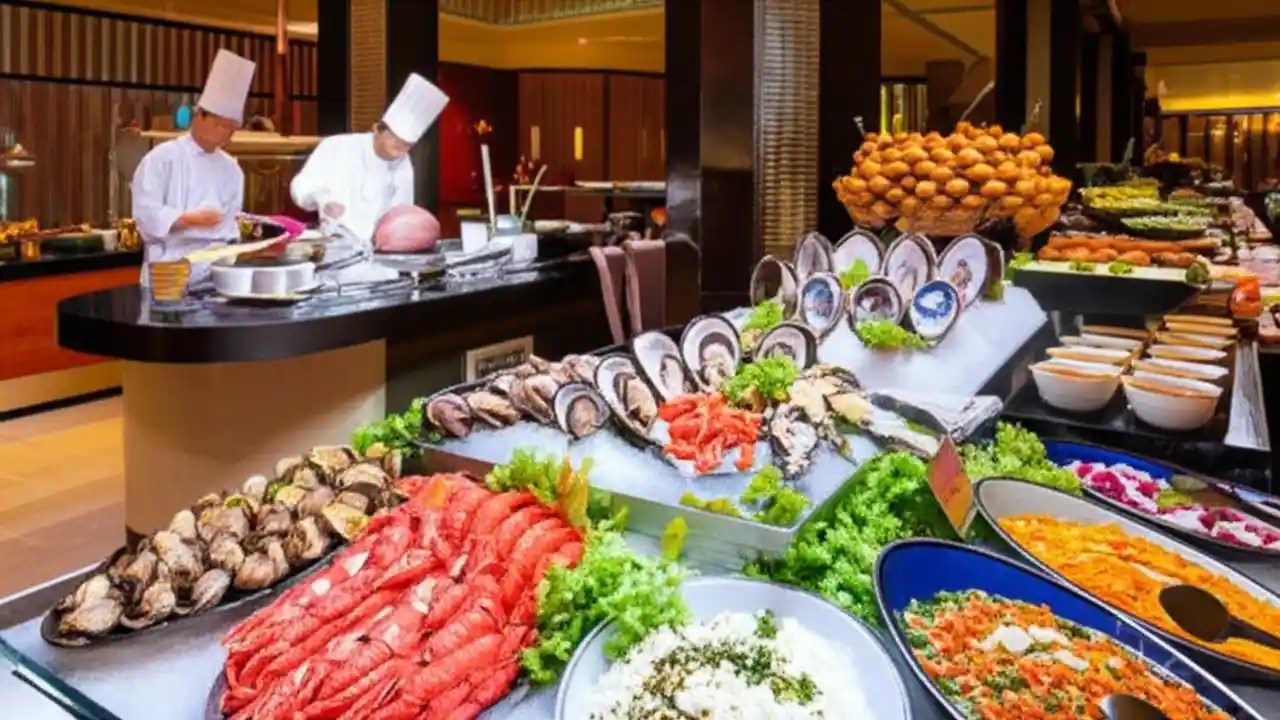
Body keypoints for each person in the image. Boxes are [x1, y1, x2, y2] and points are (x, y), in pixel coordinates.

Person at [131, 49, 256, 285]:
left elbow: (231, 225)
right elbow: (145, 214)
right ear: (200, 116)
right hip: (169, 271)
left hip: (217, 271)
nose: (225, 133)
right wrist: (187, 219)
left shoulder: (232, 169)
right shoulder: (161, 159)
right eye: (220, 124)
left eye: (230, 127)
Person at [290, 73, 448, 245]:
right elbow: (300, 185)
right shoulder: (336, 146)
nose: (400, 148)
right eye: (395, 139)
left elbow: (401, 214)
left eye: (406, 145)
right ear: (378, 129)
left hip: (379, 251)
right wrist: (322, 199)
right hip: (334, 246)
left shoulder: (404, 165)